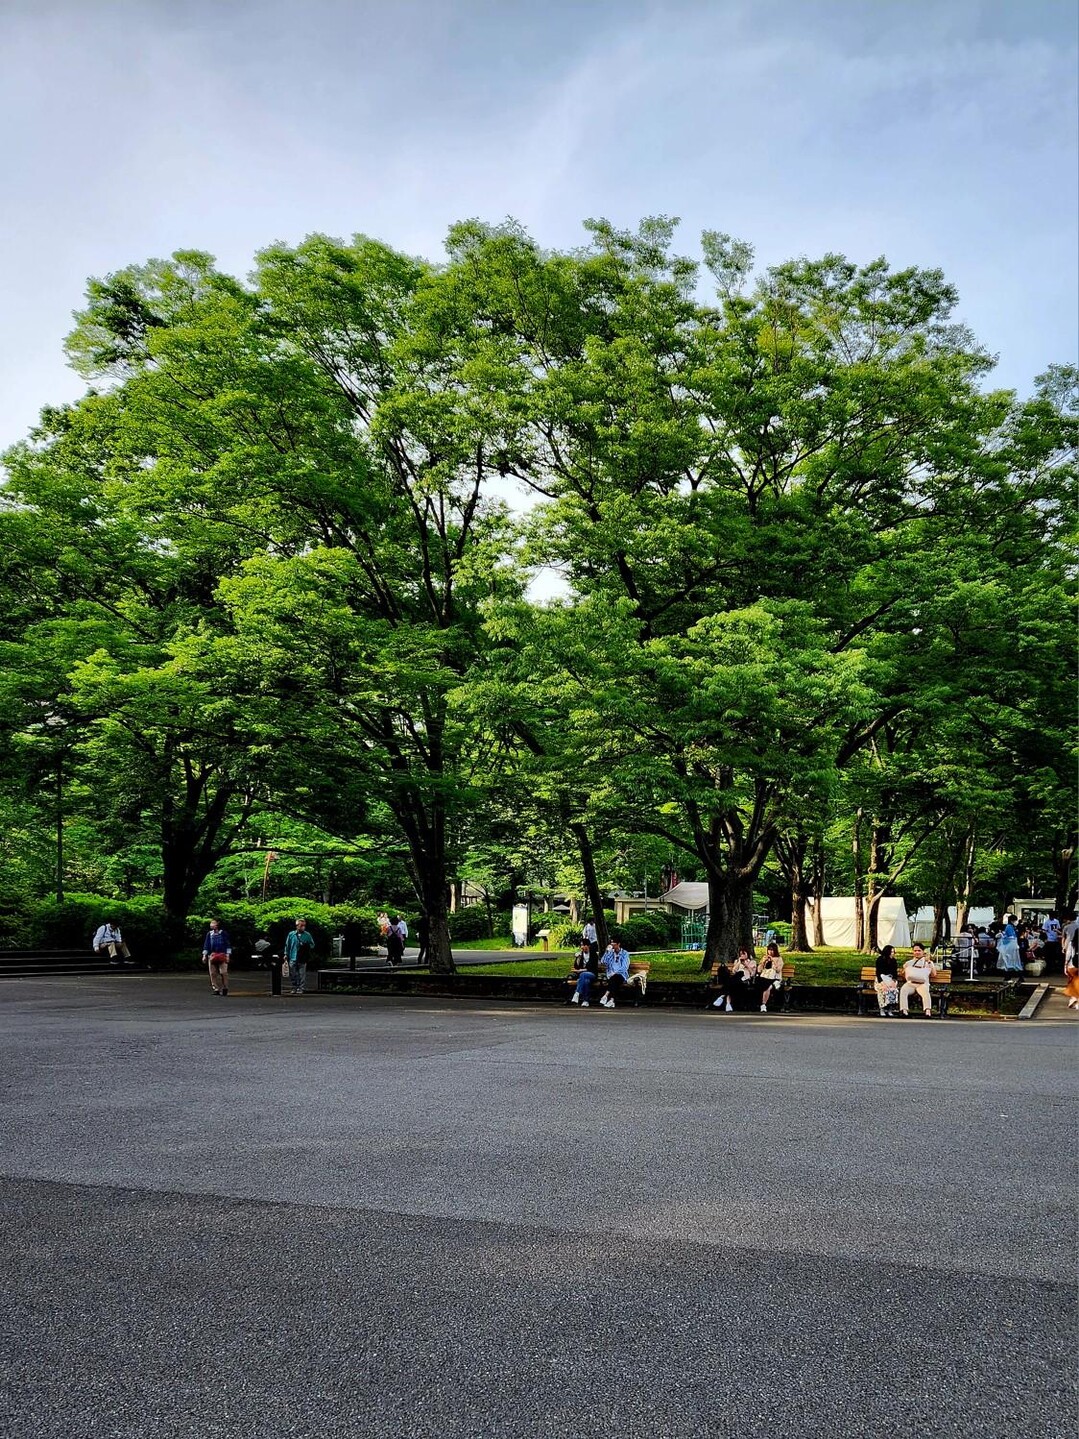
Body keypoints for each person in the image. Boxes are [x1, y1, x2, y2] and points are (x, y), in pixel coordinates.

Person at [899, 944, 937, 1017]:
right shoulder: (908, 963)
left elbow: (934, 974)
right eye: (915, 951)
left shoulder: (927, 962)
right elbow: (904, 976)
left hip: (922, 983)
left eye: (919, 951)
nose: (917, 952)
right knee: (903, 990)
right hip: (911, 983)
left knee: (925, 992)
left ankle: (927, 1011)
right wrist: (904, 971)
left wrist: (929, 964)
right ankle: (904, 1010)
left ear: (923, 952)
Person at [283, 918, 316, 995]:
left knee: (302, 974)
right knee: (293, 973)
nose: (303, 927)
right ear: (297, 926)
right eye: (301, 925)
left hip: (302, 957)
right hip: (293, 957)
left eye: (304, 925)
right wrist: (286, 954)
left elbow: (312, 945)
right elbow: (287, 945)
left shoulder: (307, 935)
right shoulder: (291, 934)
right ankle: (294, 987)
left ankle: (301, 988)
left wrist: (305, 945)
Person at [201, 918, 232, 996]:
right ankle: (215, 989)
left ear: (218, 924)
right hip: (212, 955)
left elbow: (228, 944)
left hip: (222, 955)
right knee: (213, 973)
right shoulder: (209, 934)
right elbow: (206, 945)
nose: (211, 924)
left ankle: (225, 987)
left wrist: (228, 955)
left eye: (213, 923)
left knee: (223, 972)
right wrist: (204, 955)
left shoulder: (223, 933)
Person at [598, 939, 630, 1008]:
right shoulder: (611, 953)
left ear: (618, 944)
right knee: (614, 981)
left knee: (614, 978)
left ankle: (606, 995)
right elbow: (603, 961)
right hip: (611, 975)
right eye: (611, 943)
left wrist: (615, 973)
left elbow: (625, 967)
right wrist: (607, 952)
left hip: (621, 975)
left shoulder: (624, 953)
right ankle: (612, 1001)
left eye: (614, 943)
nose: (612, 945)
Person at [874, 944, 901, 1016]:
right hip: (881, 980)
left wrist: (894, 981)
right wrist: (882, 982)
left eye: (893, 952)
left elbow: (895, 973)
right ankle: (882, 1008)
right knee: (882, 990)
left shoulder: (894, 961)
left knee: (894, 990)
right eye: (891, 952)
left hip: (890, 980)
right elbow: (878, 973)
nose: (893, 954)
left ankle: (890, 1009)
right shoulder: (880, 960)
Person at [758, 940, 784, 1012]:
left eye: (772, 950)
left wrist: (773, 961)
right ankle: (760, 1004)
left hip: (774, 978)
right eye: (769, 950)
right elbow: (759, 970)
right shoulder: (764, 958)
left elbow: (778, 970)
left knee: (768, 987)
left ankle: (763, 1004)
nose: (770, 952)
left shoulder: (779, 959)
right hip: (764, 977)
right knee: (760, 985)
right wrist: (763, 962)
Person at [569, 942, 596, 1006]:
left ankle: (577, 993)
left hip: (592, 974)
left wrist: (582, 970)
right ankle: (586, 1001)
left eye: (584, 945)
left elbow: (592, 968)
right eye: (581, 945)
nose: (582, 947)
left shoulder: (593, 955)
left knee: (583, 974)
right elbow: (576, 967)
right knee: (586, 982)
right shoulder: (581, 955)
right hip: (583, 977)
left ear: (588, 946)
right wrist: (578, 958)